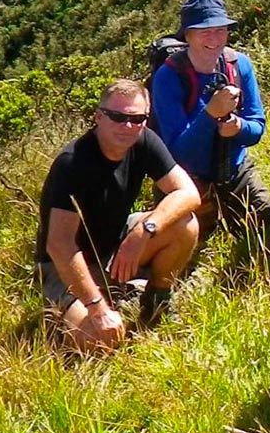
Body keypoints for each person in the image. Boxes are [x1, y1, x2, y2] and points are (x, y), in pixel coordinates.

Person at [36, 79, 202, 351]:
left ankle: (156, 300)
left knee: (185, 223)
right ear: (98, 117)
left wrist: (143, 231)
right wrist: (97, 308)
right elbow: (59, 245)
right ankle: (88, 307)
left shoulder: (145, 141)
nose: (127, 126)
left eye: (137, 119)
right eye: (117, 117)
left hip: (116, 241)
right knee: (101, 338)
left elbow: (188, 193)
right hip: (65, 266)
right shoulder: (73, 163)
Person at [148, 0, 270, 259]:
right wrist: (210, 115)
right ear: (187, 35)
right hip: (188, 180)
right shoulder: (169, 76)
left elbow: (257, 127)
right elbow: (178, 153)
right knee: (181, 255)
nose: (214, 39)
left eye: (221, 30)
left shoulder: (239, 66)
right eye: (204, 31)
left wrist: (238, 127)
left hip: (235, 171)